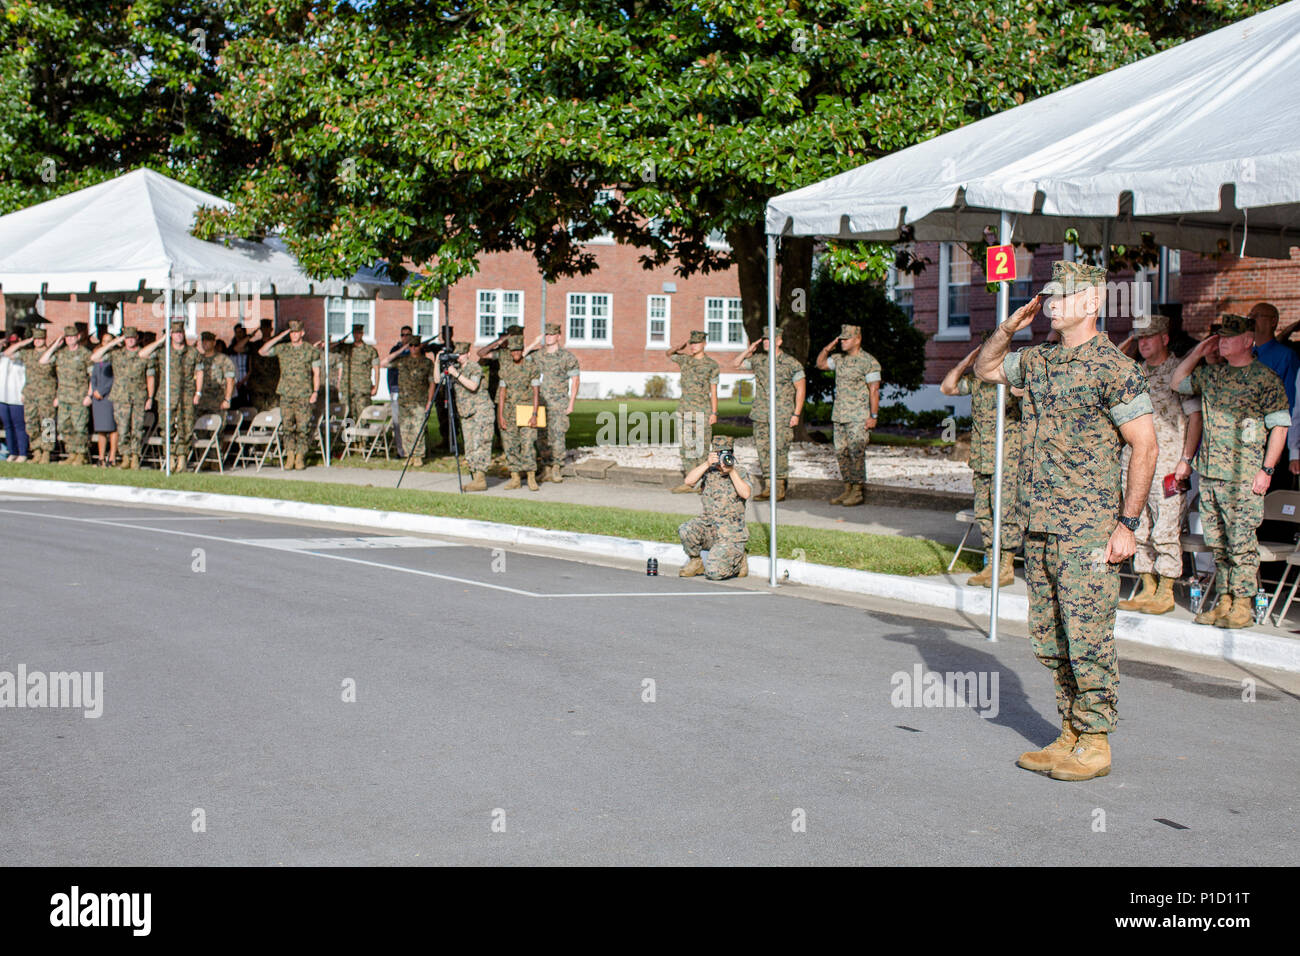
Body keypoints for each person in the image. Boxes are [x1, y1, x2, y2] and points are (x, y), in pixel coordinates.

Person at [975, 260, 1157, 782]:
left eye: (1064, 296)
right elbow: (986, 369)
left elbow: (1145, 446)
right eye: (1050, 296)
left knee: (1088, 636)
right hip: (1040, 523)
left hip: (1089, 530)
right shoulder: (1039, 361)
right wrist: (1008, 328)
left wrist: (1126, 525)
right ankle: (1070, 733)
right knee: (1049, 636)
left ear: (1093, 302)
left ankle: (1096, 741)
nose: (1053, 304)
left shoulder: (1115, 368)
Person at [1172, 313, 1291, 629]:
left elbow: (1279, 427)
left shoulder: (1265, 379)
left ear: (1248, 341)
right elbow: (1176, 380)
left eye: (1228, 336)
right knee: (1219, 544)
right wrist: (1198, 352)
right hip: (1211, 473)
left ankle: (1242, 603)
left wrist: (1267, 469)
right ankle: (1224, 599)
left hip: (1243, 476)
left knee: (1241, 544)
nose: (1221, 341)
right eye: (1220, 336)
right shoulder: (1212, 375)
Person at [1114, 315, 1203, 615]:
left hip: (1168, 462)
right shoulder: (1136, 372)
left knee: (1165, 527)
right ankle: (1147, 586)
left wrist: (1186, 460)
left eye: (1149, 337)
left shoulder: (1178, 372)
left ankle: (1165, 590)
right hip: (1135, 462)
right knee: (1136, 526)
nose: (1143, 343)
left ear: (1165, 338)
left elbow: (1195, 417)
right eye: (1140, 339)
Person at [940, 336, 1021, 587]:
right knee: (984, 512)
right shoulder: (977, 381)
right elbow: (947, 387)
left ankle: (1006, 566)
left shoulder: (1013, 378)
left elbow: (1024, 392)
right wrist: (967, 360)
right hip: (981, 458)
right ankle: (990, 563)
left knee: (1005, 512)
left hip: (1007, 459)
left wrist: (1010, 372)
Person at [735, 323, 806, 502]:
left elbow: (800, 389)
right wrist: (749, 350)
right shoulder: (759, 360)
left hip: (782, 415)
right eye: (764, 339)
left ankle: (780, 487)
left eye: (770, 339)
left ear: (779, 341)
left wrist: (796, 414)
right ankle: (768, 487)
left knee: (780, 449)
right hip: (761, 413)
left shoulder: (791, 363)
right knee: (763, 450)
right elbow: (735, 364)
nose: (766, 342)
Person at [816, 324, 881, 507]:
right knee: (841, 453)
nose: (842, 342)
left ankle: (858, 491)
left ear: (857, 339)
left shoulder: (869, 362)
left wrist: (873, 416)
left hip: (858, 416)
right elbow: (820, 364)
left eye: (846, 339)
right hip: (839, 415)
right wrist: (828, 348)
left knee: (856, 453)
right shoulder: (838, 359)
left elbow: (874, 390)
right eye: (841, 339)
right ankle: (847, 488)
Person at [678, 435, 752, 581]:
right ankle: (696, 561)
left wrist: (731, 471)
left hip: (731, 533)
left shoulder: (740, 471)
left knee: (714, 573)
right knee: (686, 529)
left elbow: (746, 493)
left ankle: (738, 559)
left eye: (725, 453)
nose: (722, 458)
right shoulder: (709, 471)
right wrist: (706, 464)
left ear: (732, 454)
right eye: (718, 454)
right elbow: (689, 481)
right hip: (710, 528)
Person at [140, 321, 203, 471]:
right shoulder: (163, 352)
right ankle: (170, 457)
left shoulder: (192, 353)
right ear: (170, 335)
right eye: (175, 333)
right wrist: (161, 340)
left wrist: (198, 392)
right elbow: (142, 354)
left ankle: (182, 458)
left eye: (180, 332)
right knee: (166, 427)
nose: (178, 335)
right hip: (166, 396)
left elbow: (199, 372)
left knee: (185, 427)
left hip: (186, 395)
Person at [259, 319, 320, 470]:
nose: (293, 335)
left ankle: (300, 456)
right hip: (286, 393)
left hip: (303, 393)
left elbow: (316, 373)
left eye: (296, 332)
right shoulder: (283, 348)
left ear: (302, 333)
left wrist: (315, 392)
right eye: (291, 332)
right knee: (287, 427)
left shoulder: (310, 350)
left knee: (303, 427)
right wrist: (280, 336)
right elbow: (262, 351)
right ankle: (290, 455)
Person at [91, 327, 155, 470]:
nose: (130, 340)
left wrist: (150, 397)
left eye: (132, 337)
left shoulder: (144, 355)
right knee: (123, 429)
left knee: (137, 429)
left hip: (138, 397)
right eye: (127, 338)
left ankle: (135, 458)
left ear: (137, 338)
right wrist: (114, 342)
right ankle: (125, 457)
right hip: (121, 397)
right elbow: (95, 358)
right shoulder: (116, 354)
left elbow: (150, 377)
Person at [527, 322, 580, 483]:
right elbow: (520, 356)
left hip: (558, 403)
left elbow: (575, 380)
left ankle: (557, 467)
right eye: (547, 335)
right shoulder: (537, 355)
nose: (549, 338)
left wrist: (571, 403)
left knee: (557, 436)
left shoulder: (567, 357)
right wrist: (534, 343)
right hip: (540, 403)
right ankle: (546, 467)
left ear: (558, 336)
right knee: (541, 437)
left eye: (552, 335)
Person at [667, 330, 719, 493]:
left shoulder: (712, 365)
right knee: (687, 446)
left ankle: (703, 483)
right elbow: (669, 354)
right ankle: (690, 483)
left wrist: (714, 413)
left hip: (703, 411)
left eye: (696, 343)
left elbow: (714, 391)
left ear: (704, 344)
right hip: (685, 409)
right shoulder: (685, 360)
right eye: (691, 343)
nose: (693, 346)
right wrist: (679, 346)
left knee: (702, 448)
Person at [40, 325, 96, 465]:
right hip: (64, 397)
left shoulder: (85, 354)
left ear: (78, 337)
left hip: (79, 397)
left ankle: (81, 454)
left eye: (72, 337)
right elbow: (43, 361)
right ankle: (71, 453)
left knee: (80, 427)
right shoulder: (61, 353)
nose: (69, 339)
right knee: (64, 426)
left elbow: (92, 376)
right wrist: (55, 345)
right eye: (67, 337)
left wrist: (89, 395)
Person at [380, 332, 435, 467]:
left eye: (416, 345)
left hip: (419, 402)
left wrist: (429, 401)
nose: (414, 348)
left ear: (420, 346)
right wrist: (401, 350)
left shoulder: (427, 363)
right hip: (404, 401)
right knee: (405, 430)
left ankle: (418, 455)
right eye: (411, 345)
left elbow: (432, 382)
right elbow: (383, 363)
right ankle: (408, 454)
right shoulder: (402, 361)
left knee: (418, 429)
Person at [495, 333, 541, 490]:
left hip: (526, 411)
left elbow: (536, 392)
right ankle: (515, 478)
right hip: (508, 412)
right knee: (510, 445)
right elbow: (502, 393)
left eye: (517, 350)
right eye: (512, 350)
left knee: (528, 444)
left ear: (522, 350)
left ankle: (530, 477)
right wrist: (500, 415)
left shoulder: (531, 367)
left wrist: (535, 414)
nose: (515, 353)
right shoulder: (506, 369)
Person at [447, 341, 494, 491]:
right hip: (467, 413)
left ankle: (480, 479)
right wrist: (438, 362)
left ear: (468, 353)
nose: (459, 357)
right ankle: (475, 478)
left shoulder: (474, 367)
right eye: (457, 354)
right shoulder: (455, 369)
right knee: (469, 446)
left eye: (462, 354)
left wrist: (456, 374)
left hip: (481, 411)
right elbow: (436, 379)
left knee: (480, 444)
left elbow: (473, 386)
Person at [8, 323, 56, 462]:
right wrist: (25, 342)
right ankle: (36, 451)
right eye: (35, 339)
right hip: (30, 394)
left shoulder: (51, 354)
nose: (37, 341)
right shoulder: (27, 354)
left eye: (40, 339)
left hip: (46, 394)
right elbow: (8, 353)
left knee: (47, 423)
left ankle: (46, 451)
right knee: (31, 423)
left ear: (45, 339)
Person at [340, 323, 379, 424]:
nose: (356, 335)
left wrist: (376, 386)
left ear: (362, 334)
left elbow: (376, 369)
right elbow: (326, 347)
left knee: (363, 414)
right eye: (354, 333)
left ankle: (363, 439)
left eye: (358, 333)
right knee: (348, 415)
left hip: (362, 388)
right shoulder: (346, 348)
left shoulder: (370, 350)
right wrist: (340, 341)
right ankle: (349, 438)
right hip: (347, 388)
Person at [0, 332, 29, 461]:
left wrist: (21, 343)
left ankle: (23, 453)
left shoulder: (23, 356)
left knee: (20, 426)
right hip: (3, 397)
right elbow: (6, 353)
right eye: (11, 342)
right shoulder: (3, 356)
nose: (13, 344)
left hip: (17, 397)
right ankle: (12, 452)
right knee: (8, 426)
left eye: (15, 341)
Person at [89, 346, 117, 466]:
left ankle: (112, 457)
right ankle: (101, 457)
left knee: (112, 428)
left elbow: (113, 380)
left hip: (109, 397)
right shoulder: (97, 364)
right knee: (101, 429)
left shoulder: (113, 361)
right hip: (98, 400)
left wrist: (102, 391)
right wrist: (94, 390)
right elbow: (93, 378)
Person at [196, 332, 236, 416]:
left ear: (214, 343)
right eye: (203, 341)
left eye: (208, 341)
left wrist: (227, 399)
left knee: (216, 426)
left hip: (217, 402)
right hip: (201, 403)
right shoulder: (198, 359)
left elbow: (230, 381)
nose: (205, 343)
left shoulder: (223, 359)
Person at [247, 319, 280, 411]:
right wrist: (250, 335)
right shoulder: (255, 345)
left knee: (274, 412)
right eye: (263, 328)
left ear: (271, 329)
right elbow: (238, 348)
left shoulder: (278, 345)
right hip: (258, 387)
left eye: (267, 328)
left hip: (274, 385)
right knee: (259, 414)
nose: (265, 330)